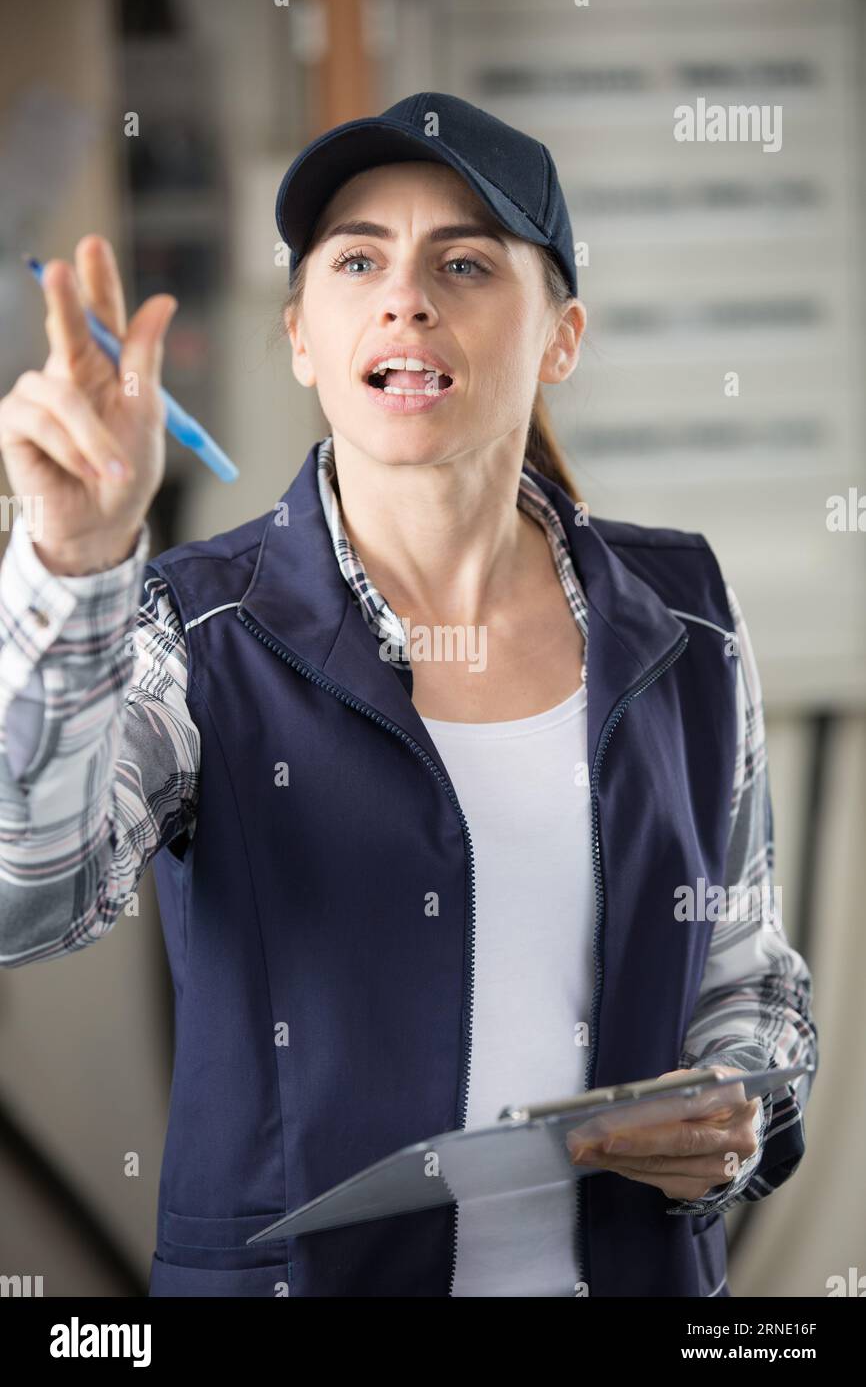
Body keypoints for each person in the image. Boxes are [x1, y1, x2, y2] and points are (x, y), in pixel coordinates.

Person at [0, 92, 816, 1298]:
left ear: (560, 338)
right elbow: (30, 901)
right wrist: (67, 575)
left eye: (466, 261)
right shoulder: (190, 624)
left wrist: (736, 1112)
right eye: (357, 258)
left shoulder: (685, 608)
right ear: (299, 334)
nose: (405, 296)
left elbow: (745, 977)